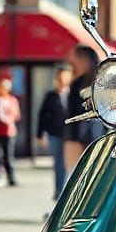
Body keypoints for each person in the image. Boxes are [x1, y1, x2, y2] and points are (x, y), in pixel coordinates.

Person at [64, 45, 105, 175]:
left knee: (76, 173)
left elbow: (72, 113)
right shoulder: (103, 81)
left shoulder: (77, 84)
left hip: (81, 133)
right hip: (99, 132)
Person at [37, 65, 72, 199]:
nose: (63, 79)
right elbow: (42, 115)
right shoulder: (51, 96)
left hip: (71, 136)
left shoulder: (74, 95)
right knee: (59, 164)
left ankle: (67, 192)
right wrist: (40, 134)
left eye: (65, 76)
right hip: (55, 134)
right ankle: (59, 192)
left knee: (69, 164)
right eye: (60, 77)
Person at [0, 76, 21, 187]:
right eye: (0, 87)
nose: (1, 89)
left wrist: (8, 118)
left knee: (8, 155)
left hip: (8, 132)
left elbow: (16, 115)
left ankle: (11, 177)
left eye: (3, 87)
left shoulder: (13, 100)